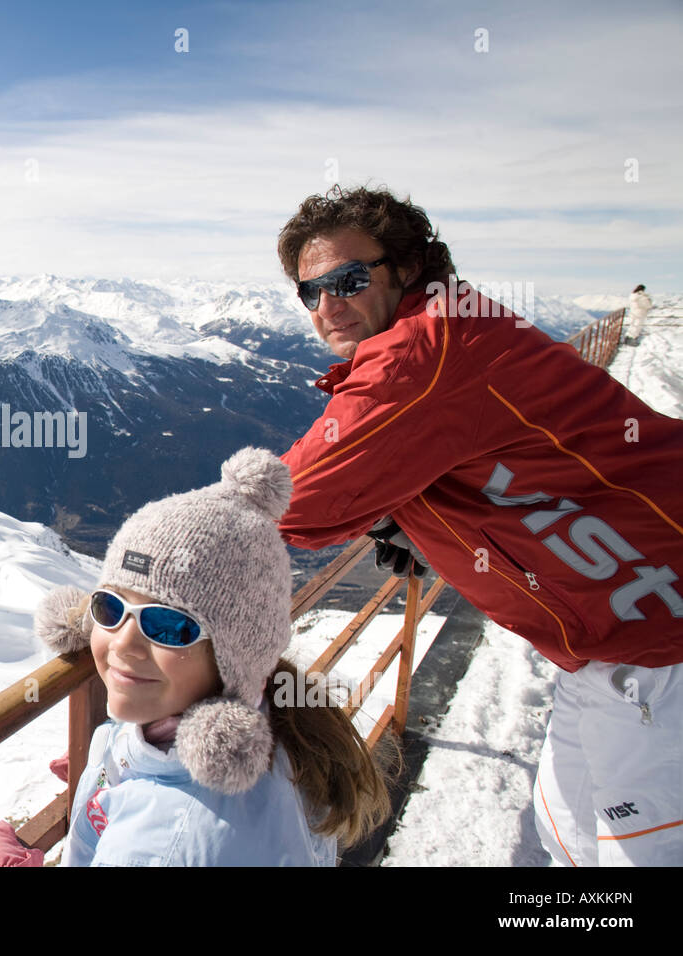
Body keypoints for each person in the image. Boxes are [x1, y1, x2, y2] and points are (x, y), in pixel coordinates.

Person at [273, 184, 683, 866]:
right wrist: (416, 510)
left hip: (658, 644)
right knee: (568, 839)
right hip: (609, 640)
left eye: (347, 279)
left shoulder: (424, 348)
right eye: (308, 291)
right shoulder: (453, 328)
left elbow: (295, 502)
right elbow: (465, 445)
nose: (327, 305)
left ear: (406, 268)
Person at [0, 447, 390, 866]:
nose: (123, 643)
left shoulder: (160, 846)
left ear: (235, 657)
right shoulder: (281, 725)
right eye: (110, 606)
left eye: (167, 625)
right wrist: (117, 768)